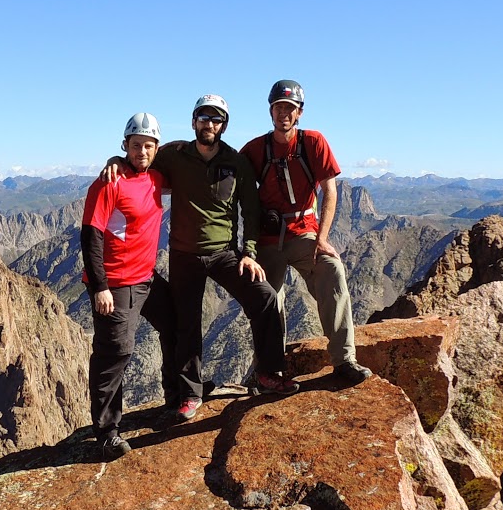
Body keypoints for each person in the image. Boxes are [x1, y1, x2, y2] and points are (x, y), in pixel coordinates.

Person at [117, 93, 297, 422]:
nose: (209, 124)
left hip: (225, 254)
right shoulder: (174, 154)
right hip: (184, 255)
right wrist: (114, 162)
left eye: (216, 119)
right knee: (186, 324)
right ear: (193, 122)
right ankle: (189, 393)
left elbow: (251, 211)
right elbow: (138, 160)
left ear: (223, 125)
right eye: (203, 118)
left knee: (266, 299)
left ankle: (269, 373)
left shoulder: (236, 162)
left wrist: (250, 252)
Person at [240, 80, 372, 387]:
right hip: (268, 238)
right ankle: (268, 371)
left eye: (289, 108)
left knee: (332, 271)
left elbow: (330, 190)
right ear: (270, 111)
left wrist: (322, 238)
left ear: (299, 113)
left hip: (304, 234)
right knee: (266, 297)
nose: (283, 113)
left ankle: (344, 360)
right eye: (278, 107)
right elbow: (227, 174)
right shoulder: (255, 149)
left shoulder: (313, 143)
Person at [81, 112, 178, 459]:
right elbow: (90, 237)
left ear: (156, 148)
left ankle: (178, 395)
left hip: (146, 278)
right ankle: (106, 431)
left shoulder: (155, 178)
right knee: (115, 352)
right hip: (116, 284)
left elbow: (186, 161)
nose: (142, 151)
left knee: (175, 323)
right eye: (135, 145)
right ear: (125, 146)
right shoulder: (109, 183)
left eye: (148, 145)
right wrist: (99, 288)